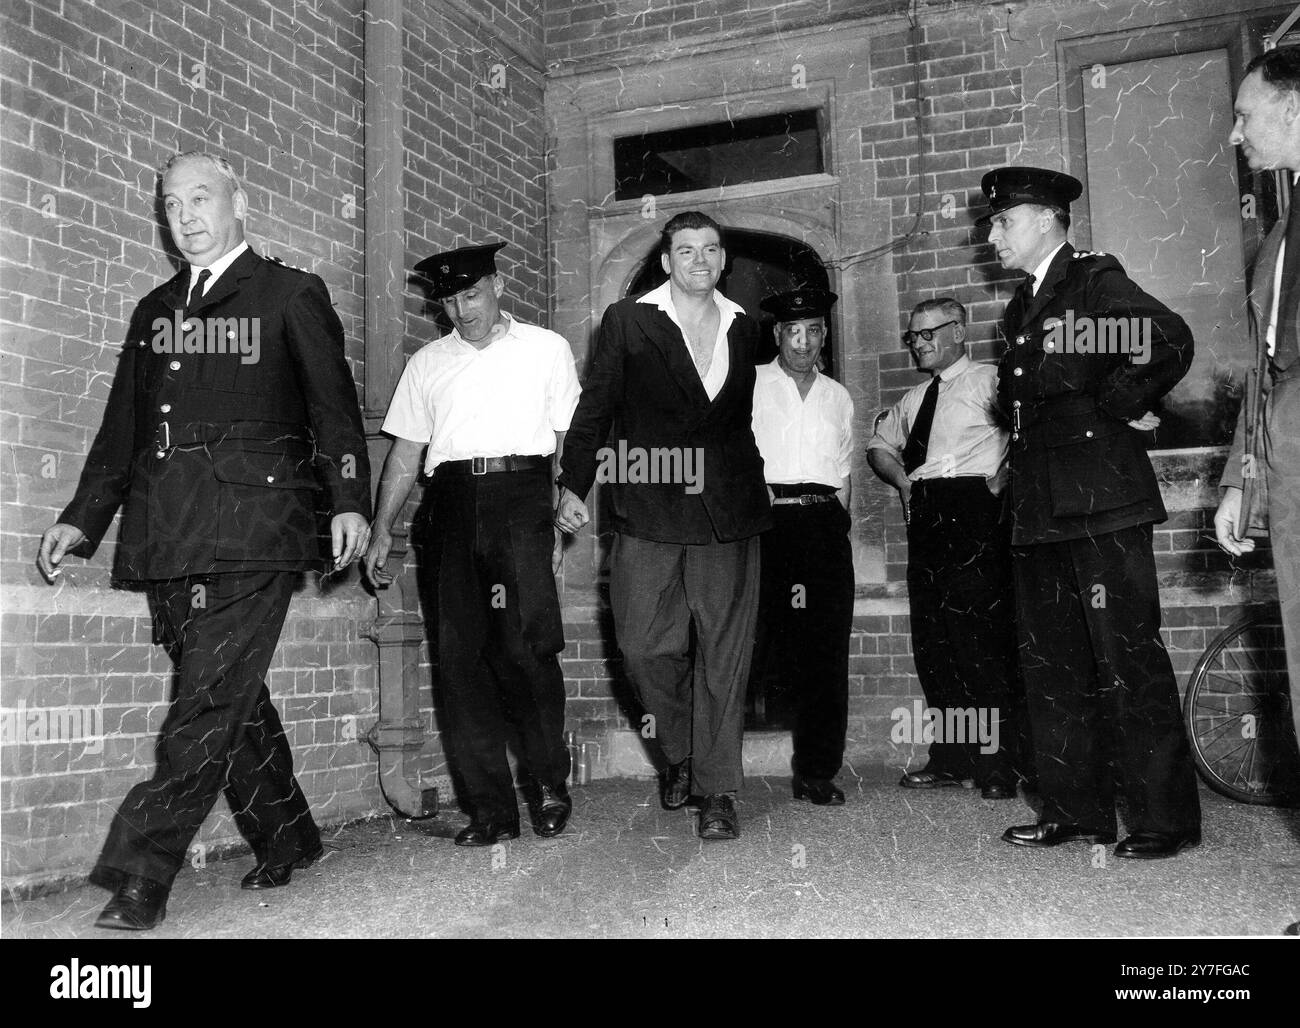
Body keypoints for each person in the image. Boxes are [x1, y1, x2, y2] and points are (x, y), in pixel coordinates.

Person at [36, 151, 372, 929]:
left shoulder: (290, 291)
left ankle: (142, 872)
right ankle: (288, 833)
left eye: (199, 197)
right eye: (170, 204)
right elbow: (123, 426)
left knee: (205, 698)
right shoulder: (154, 309)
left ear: (238, 201)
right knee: (224, 694)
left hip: (258, 525)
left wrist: (347, 499)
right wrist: (83, 518)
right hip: (169, 526)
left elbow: (333, 410)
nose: (184, 215)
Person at [979, 165, 1202, 858]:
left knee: (1127, 658)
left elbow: (1165, 338)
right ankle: (1076, 811)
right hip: (1041, 505)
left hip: (1102, 500)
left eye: (1002, 221)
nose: (992, 236)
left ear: (1046, 218)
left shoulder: (1092, 277)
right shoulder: (1023, 305)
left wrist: (1120, 404)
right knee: (1052, 664)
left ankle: (1163, 820)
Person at [554, 211, 772, 841]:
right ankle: (677, 751)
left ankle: (718, 791)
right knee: (645, 646)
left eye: (710, 249)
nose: (699, 260)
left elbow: (736, 423)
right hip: (648, 506)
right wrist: (575, 482)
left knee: (724, 657)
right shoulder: (628, 321)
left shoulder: (744, 327)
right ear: (668, 260)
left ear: (723, 259)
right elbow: (594, 408)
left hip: (730, 511)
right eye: (685, 250)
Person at [364, 242, 580, 847]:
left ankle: (546, 784)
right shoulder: (428, 363)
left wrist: (562, 513)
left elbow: (568, 441)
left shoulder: (546, 349)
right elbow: (406, 453)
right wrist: (383, 526)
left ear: (497, 286)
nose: (463, 310)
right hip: (450, 506)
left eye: (472, 294)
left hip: (523, 501)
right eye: (451, 300)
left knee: (526, 653)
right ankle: (489, 810)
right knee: (460, 666)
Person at [1209, 46, 1300, 934]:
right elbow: (1269, 374)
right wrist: (1244, 477)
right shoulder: (1280, 234)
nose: (1235, 134)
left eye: (1247, 114)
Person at [867, 298, 1024, 800]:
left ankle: (1000, 765)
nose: (919, 343)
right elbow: (879, 446)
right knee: (935, 643)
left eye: (927, 333)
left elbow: (1031, 430)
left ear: (959, 331)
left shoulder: (991, 379)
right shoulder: (914, 399)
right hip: (928, 513)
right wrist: (904, 484)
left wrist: (1001, 480)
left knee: (980, 642)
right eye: (912, 336)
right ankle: (952, 758)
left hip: (973, 511)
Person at [749, 288, 854, 806]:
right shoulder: (751, 384)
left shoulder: (838, 395)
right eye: (793, 330)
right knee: (751, 643)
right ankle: (716, 775)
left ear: (824, 335)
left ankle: (817, 771)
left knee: (826, 652)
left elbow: (844, 469)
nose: (803, 341)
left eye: (813, 330)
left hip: (824, 525)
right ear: (777, 335)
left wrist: (840, 522)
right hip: (768, 526)